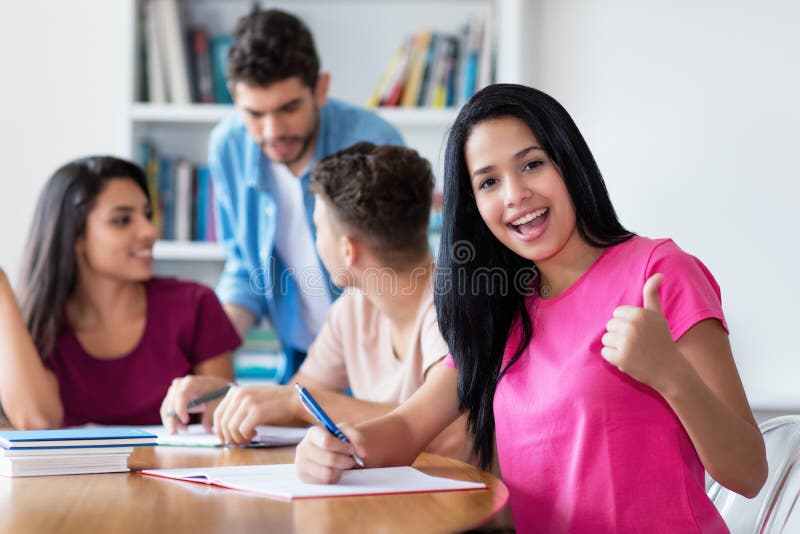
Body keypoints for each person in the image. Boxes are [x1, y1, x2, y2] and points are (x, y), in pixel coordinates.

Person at [293, 84, 768, 532]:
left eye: (531, 164)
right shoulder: (495, 305)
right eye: (488, 182)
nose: (514, 195)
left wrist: (671, 375)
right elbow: (410, 425)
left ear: (569, 163)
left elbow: (749, 472)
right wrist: (336, 446)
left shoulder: (659, 271)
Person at [162, 143, 472, 462]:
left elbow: (449, 434)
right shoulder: (353, 308)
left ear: (348, 250)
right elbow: (292, 397)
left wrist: (299, 402)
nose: (315, 239)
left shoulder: (451, 309)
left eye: (318, 228)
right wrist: (228, 398)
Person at [210, 8, 404, 382]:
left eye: (289, 108)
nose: (273, 131)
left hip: (375, 359)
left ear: (320, 88)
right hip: (298, 357)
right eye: (254, 113)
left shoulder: (374, 142)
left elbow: (395, 273)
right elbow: (244, 270)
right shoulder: (227, 147)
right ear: (234, 97)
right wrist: (207, 355)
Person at [0, 156, 240, 429]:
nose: (150, 231)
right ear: (75, 236)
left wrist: (219, 396)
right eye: (123, 220)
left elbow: (225, 420)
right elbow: (37, 421)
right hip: (73, 473)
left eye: (147, 215)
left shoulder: (195, 304)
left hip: (178, 470)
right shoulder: (40, 327)